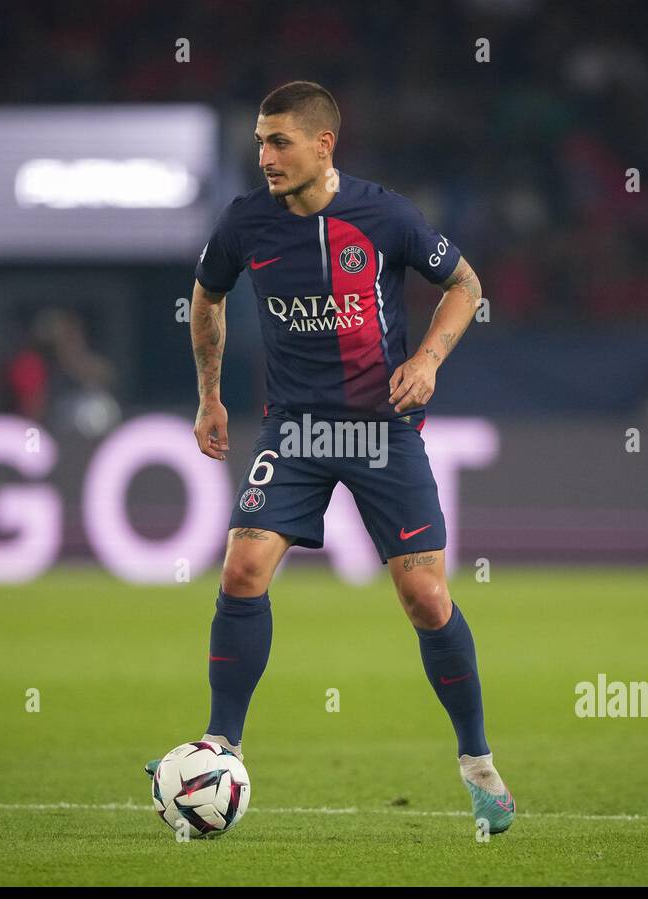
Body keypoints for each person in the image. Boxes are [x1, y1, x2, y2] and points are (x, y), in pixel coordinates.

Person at [145, 81, 514, 833]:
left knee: (426, 599)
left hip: (383, 430)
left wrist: (431, 358)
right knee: (242, 568)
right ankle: (222, 741)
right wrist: (209, 396)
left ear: (323, 145)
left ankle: (478, 764)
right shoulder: (246, 223)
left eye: (279, 141)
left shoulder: (385, 215)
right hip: (296, 431)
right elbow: (206, 298)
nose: (264, 156)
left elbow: (465, 284)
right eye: (258, 141)